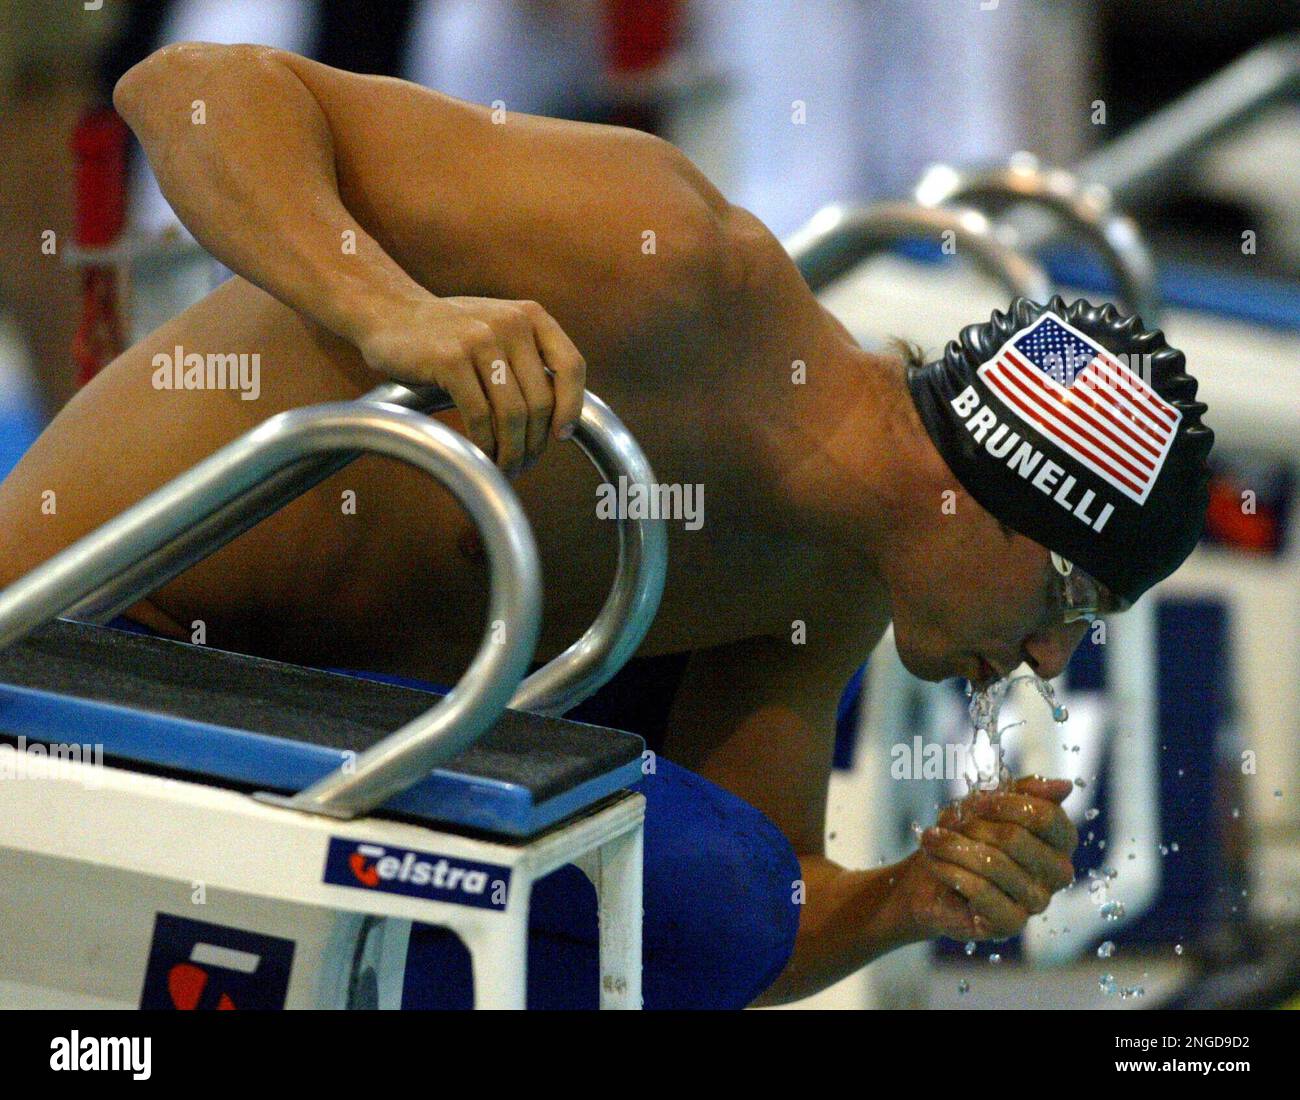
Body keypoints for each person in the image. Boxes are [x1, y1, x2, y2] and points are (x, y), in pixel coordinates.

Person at [0, 43, 1212, 1007]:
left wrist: (911, 896)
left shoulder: (832, 575)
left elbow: (734, 937)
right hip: (76, 634)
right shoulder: (671, 259)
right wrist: (387, 310)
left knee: (715, 891)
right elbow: (189, 92)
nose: (1053, 659)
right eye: (1071, 601)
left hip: (298, 726)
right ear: (987, 496)